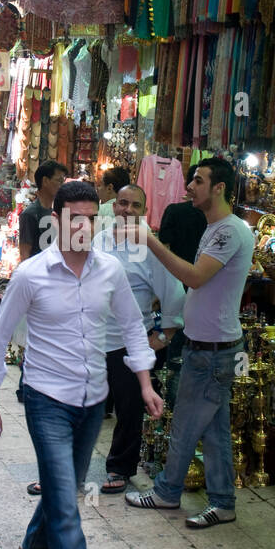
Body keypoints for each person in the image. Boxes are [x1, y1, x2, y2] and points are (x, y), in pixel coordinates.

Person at [0, 180, 163, 549]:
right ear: (56, 220)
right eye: (74, 216)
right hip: (45, 400)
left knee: (66, 490)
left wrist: (144, 385)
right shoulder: (30, 275)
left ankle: (35, 546)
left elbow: (133, 329)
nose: (83, 225)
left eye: (90, 217)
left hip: (93, 400)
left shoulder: (111, 272)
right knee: (67, 505)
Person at [124, 158, 254, 529]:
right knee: (214, 432)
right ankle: (223, 501)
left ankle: (167, 492)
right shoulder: (215, 228)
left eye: (199, 180)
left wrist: (150, 242)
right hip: (207, 346)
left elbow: (195, 278)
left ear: (219, 188)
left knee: (183, 425)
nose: (190, 186)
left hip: (213, 351)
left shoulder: (230, 232)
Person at [94, 184, 184, 491]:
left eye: (135, 205)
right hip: (94, 339)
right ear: (113, 206)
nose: (127, 210)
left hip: (129, 342)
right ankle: (68, 465)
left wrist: (163, 335)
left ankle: (120, 467)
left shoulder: (150, 248)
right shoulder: (100, 240)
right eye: (122, 203)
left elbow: (174, 294)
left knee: (129, 408)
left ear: (143, 211)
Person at [157, 164, 208, 268]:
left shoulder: (174, 211)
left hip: (177, 273)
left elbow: (163, 247)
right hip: (205, 275)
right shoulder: (214, 216)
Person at [18, 160, 68, 261]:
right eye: (59, 180)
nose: (62, 185)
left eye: (63, 181)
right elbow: (25, 255)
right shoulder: (30, 214)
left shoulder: (55, 212)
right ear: (45, 181)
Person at [97, 166, 131, 232]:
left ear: (109, 188)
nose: (98, 189)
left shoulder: (99, 211)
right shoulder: (133, 213)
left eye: (100, 185)